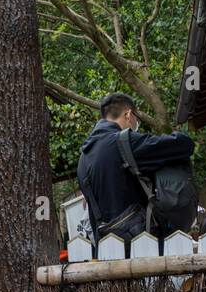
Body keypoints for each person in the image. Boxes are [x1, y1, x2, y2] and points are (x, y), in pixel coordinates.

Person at [76, 92, 195, 238]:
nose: (135, 124)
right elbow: (184, 145)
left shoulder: (83, 157)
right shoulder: (124, 142)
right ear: (128, 115)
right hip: (140, 241)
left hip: (105, 248)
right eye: (136, 119)